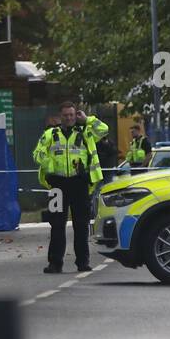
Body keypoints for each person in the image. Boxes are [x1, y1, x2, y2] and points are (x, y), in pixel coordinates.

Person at [32, 101, 108, 274]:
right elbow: (38, 153)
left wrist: (87, 119)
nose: (68, 118)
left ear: (76, 115)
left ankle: (83, 262)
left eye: (72, 115)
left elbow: (103, 130)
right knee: (56, 225)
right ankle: (55, 263)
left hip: (80, 184)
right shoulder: (51, 134)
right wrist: (50, 167)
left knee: (81, 225)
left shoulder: (85, 132)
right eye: (65, 115)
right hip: (57, 185)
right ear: (61, 116)